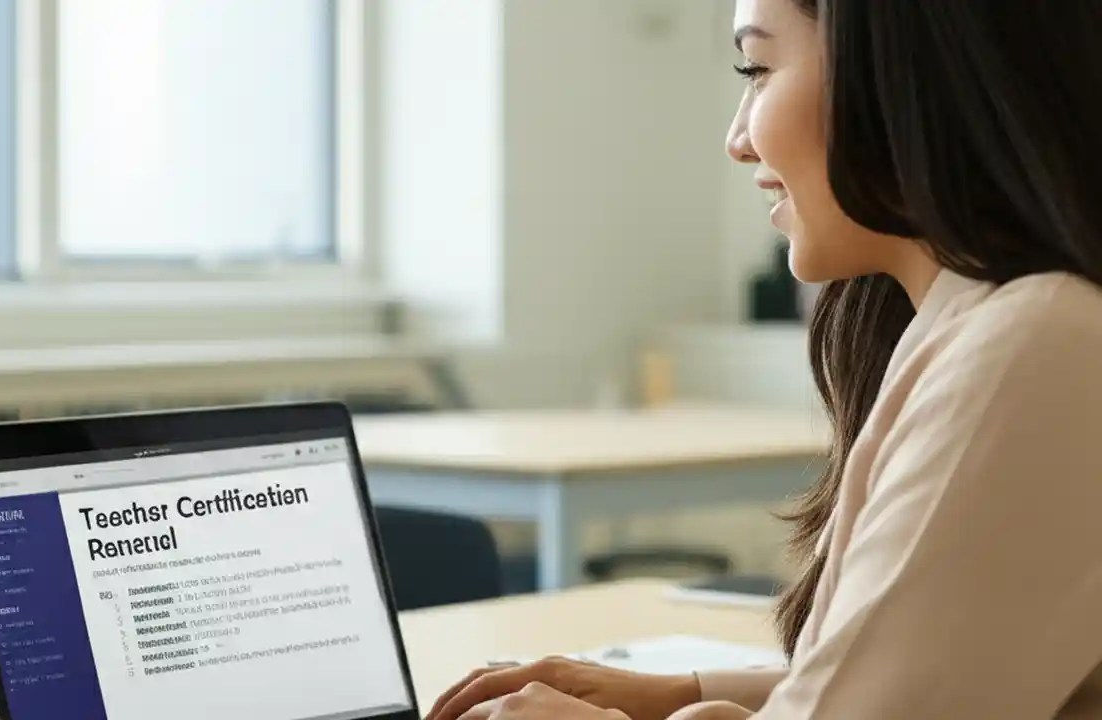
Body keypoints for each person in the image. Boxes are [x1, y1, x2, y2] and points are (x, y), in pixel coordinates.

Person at [425, 0, 1102, 717]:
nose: (737, 139)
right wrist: (681, 693)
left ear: (903, 72)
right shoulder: (994, 325)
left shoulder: (1035, 346)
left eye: (759, 68)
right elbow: (908, 673)